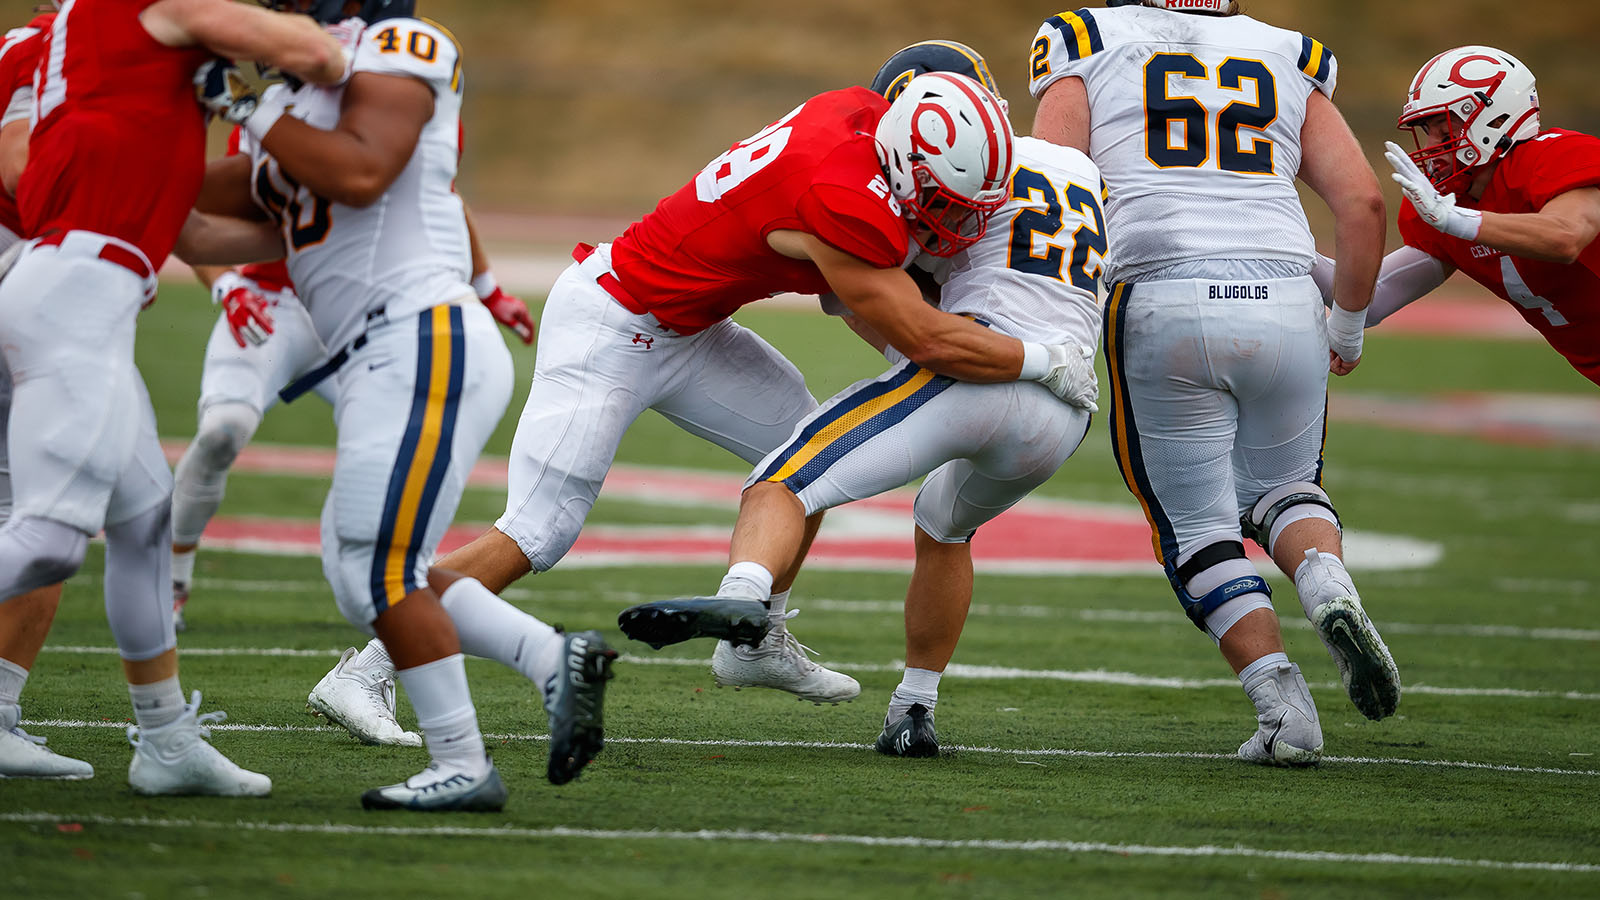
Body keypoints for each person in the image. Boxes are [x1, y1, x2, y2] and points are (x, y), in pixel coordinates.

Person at [176, 0, 612, 810]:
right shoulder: (303, 112)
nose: (270, 22)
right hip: (387, 351)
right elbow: (202, 231)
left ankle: (463, 762)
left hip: (420, 335)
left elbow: (362, 171)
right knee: (361, 574)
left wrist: (247, 103)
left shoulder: (394, 49)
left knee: (376, 569)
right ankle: (553, 660)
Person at [628, 40, 1104, 755]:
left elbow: (866, 289)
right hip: (1067, 409)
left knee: (781, 481)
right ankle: (913, 707)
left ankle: (744, 606)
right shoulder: (1078, 169)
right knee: (944, 526)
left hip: (978, 374)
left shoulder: (939, 162)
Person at [1029, 0, 1399, 766]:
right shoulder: (1291, 51)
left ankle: (1284, 714)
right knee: (1287, 488)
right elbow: (1363, 203)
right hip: (1287, 292)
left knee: (1198, 530)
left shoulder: (1087, 36)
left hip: (1162, 291)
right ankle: (1326, 582)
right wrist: (1348, 329)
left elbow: (1052, 182)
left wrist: (1049, 318)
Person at [0, 0, 345, 795]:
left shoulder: (124, 60)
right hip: (74, 287)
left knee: (146, 523)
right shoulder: (155, 11)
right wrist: (250, 96)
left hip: (87, 285)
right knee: (49, 541)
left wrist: (331, 229)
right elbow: (319, 55)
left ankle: (164, 740)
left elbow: (190, 234)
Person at [171, 129, 536, 639]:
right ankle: (171, 577)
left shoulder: (385, 104)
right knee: (223, 428)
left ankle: (406, 577)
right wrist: (228, 284)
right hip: (271, 301)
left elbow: (442, 193)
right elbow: (192, 216)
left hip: (356, 314)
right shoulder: (275, 116)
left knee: (402, 441)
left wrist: (487, 288)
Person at [1312, 46, 1600, 385]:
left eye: (1445, 130)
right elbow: (1370, 298)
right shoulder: (1449, 204)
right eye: (1428, 131)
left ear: (1495, 121)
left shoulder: (1554, 156)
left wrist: (1457, 220)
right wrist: (1293, 248)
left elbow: (1565, 237)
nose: (1433, 146)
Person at [0, 8, 93, 781]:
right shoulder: (56, 43)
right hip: (26, 260)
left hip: (36, 259)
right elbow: (17, 158)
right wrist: (69, 247)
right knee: (48, 510)